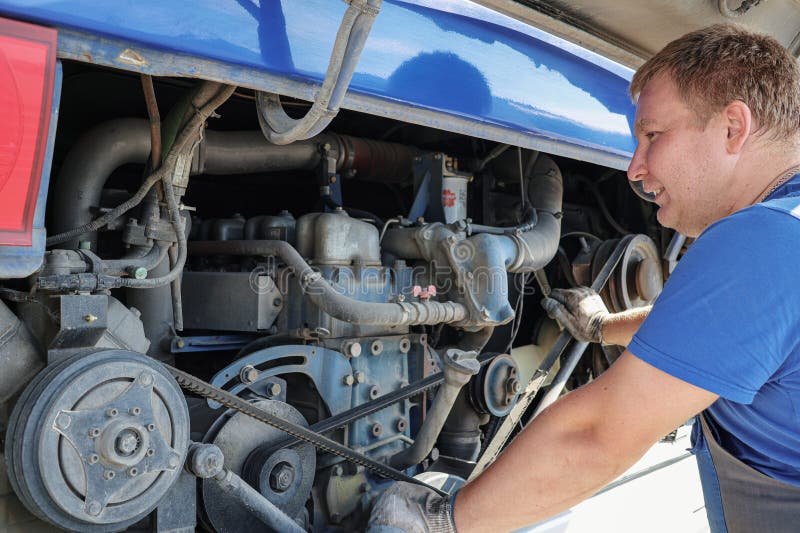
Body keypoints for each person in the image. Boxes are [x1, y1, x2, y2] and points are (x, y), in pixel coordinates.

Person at [368, 23, 800, 533]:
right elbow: (715, 336)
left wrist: (441, 521)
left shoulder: (761, 241)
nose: (634, 169)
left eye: (652, 135)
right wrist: (601, 327)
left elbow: (595, 437)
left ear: (732, 127)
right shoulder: (785, 230)